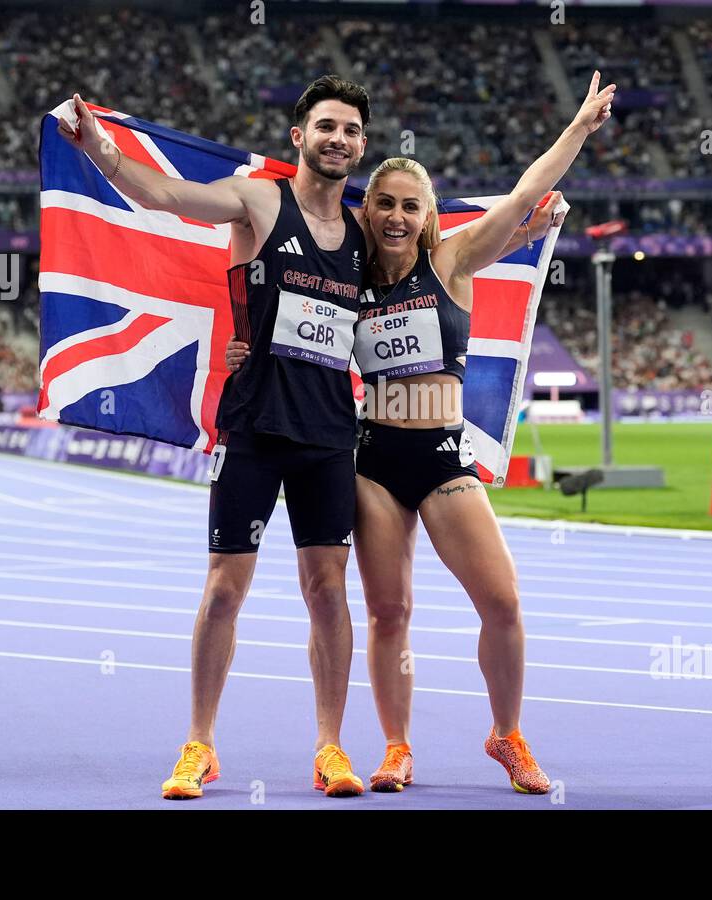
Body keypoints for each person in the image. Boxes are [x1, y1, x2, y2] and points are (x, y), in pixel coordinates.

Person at [59, 75, 554, 799]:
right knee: (225, 589)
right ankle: (199, 744)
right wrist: (98, 147)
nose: (339, 139)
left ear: (360, 144)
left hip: (329, 436)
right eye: (327, 126)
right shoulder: (260, 198)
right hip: (254, 425)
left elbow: (443, 236)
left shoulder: (364, 235)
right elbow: (165, 197)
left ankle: (330, 747)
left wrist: (531, 224)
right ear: (300, 135)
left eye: (352, 130)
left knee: (328, 593)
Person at [228, 73, 613, 793]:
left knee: (501, 602)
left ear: (430, 216)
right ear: (366, 209)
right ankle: (397, 746)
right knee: (388, 612)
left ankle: (506, 734)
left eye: (411, 206)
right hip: (372, 460)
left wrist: (580, 129)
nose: (398, 216)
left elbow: (525, 193)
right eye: (385, 204)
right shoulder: (341, 275)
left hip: (442, 457)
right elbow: (279, 316)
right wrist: (242, 343)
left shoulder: (453, 261)